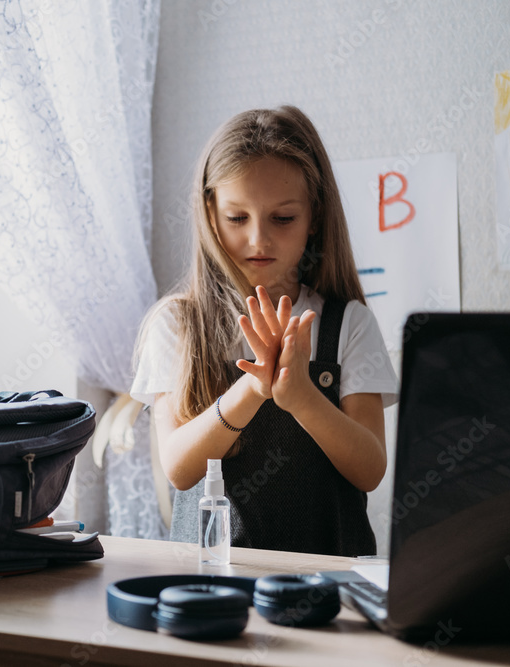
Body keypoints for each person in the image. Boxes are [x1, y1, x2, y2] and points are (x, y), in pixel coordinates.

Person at [130, 105, 398, 556]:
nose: (259, 240)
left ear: (314, 217)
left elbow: (369, 469)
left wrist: (302, 398)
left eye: (283, 218)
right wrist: (254, 389)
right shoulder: (177, 324)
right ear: (210, 212)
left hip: (328, 585)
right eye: (238, 218)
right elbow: (179, 468)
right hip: (212, 588)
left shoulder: (348, 322)